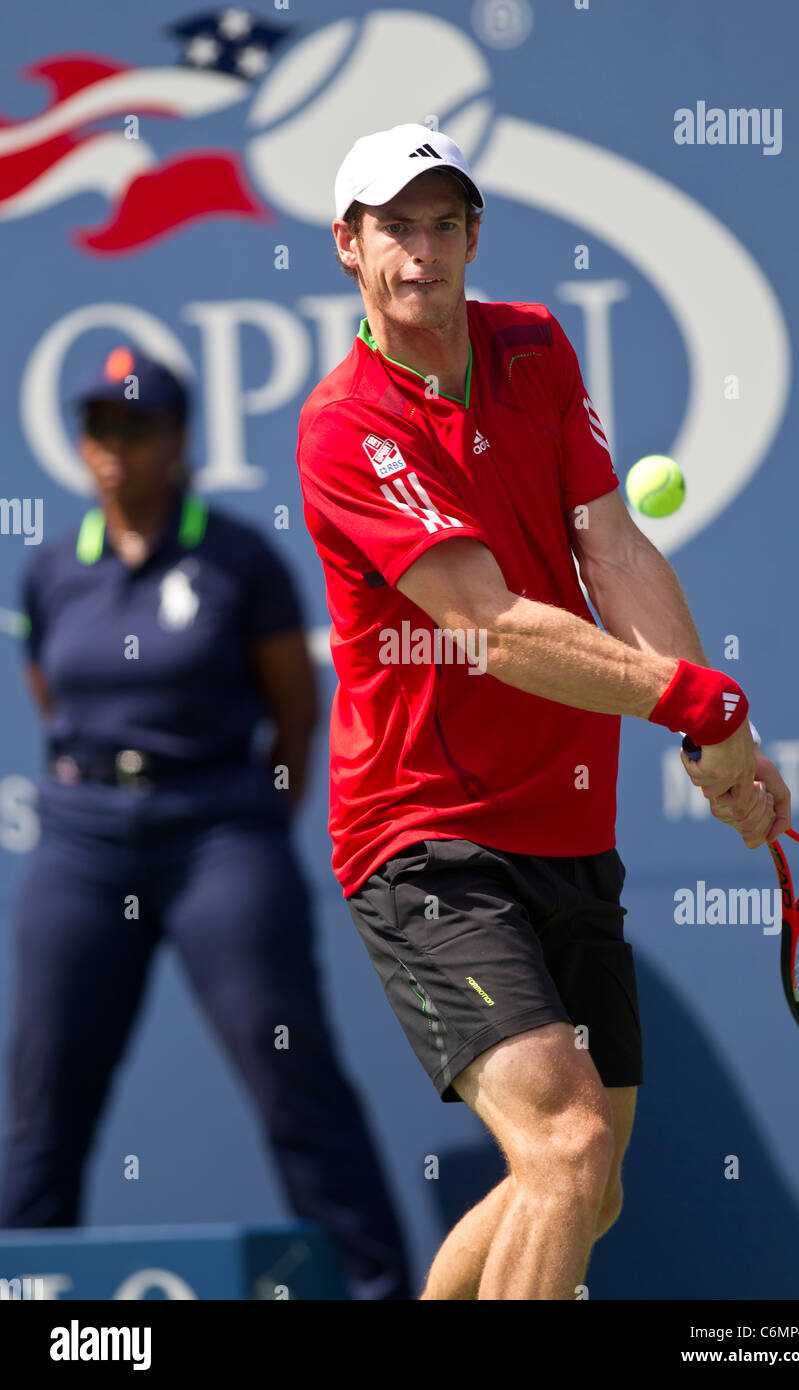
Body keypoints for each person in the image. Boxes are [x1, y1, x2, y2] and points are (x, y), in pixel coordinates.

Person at [295, 123, 793, 1301]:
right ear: (348, 248)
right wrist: (695, 693)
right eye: (394, 228)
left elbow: (610, 551)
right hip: (423, 842)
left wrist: (712, 734)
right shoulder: (342, 426)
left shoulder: (535, 345)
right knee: (561, 1147)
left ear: (472, 235)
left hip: (564, 831)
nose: (422, 252)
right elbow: (491, 624)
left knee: (584, 1179)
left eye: (442, 224)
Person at [0, 346, 411, 1301]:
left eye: (135, 427)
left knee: (291, 1079)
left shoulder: (238, 557)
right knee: (43, 1101)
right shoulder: (53, 568)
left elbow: (296, 713)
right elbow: (54, 702)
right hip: (84, 842)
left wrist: (258, 819)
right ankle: (27, 1294)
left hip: (218, 834)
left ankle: (375, 1289)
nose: (113, 447)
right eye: (98, 427)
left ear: (179, 441)